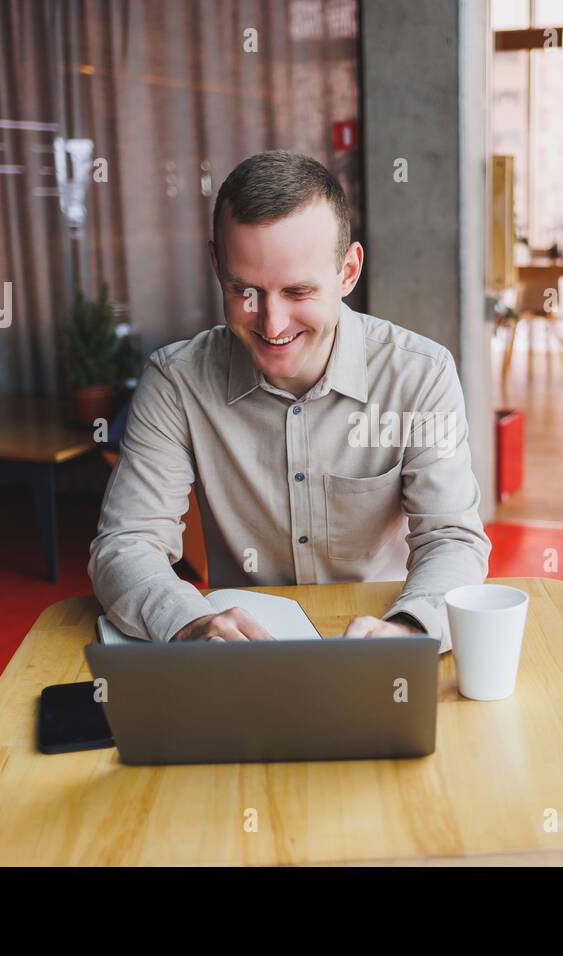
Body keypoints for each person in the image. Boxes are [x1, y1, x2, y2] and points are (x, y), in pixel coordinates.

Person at [89, 150, 490, 652]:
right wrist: (186, 623)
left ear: (348, 272)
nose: (272, 324)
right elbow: (127, 543)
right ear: (217, 264)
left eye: (298, 291)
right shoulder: (175, 382)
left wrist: (409, 631)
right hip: (239, 661)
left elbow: (451, 538)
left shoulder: (420, 375)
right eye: (245, 291)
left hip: (381, 638)